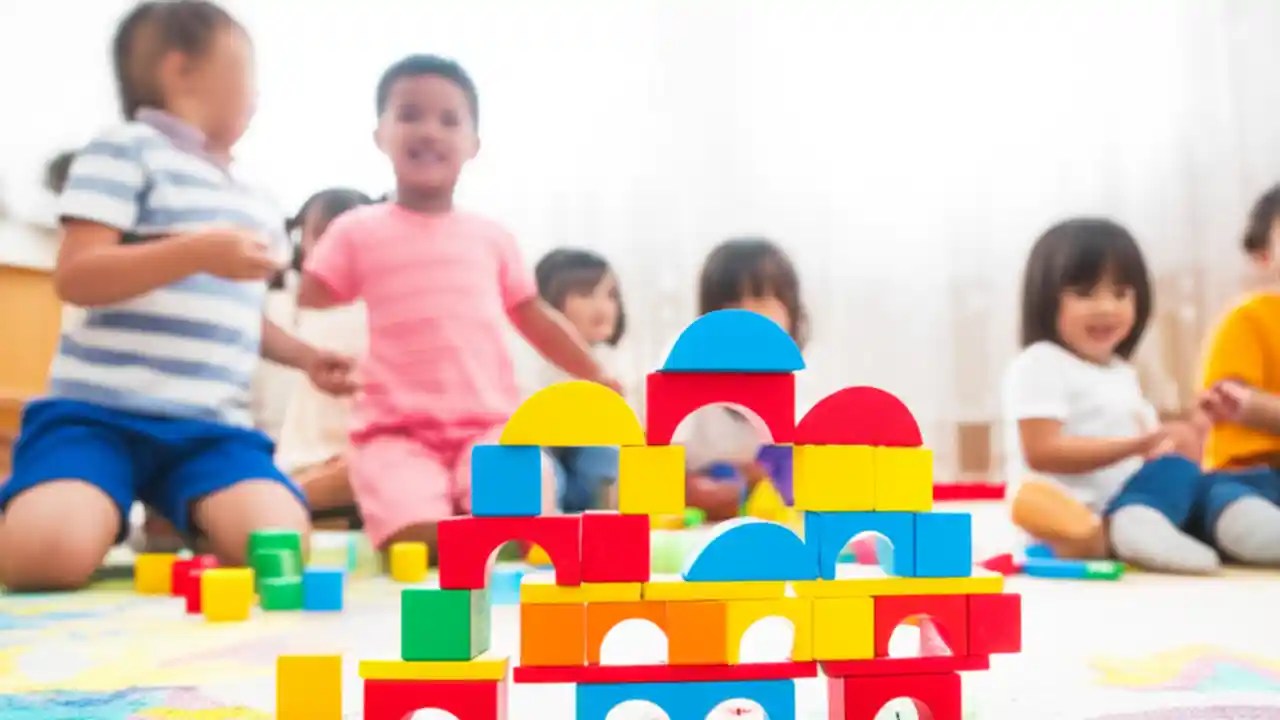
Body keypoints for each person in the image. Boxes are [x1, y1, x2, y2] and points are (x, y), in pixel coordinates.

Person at [0, 0, 355, 591]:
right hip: (98, 415)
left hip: (208, 427)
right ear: (181, 70)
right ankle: (97, 503)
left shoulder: (253, 197)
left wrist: (306, 357)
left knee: (280, 545)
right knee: (42, 559)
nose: (256, 94)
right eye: (246, 72)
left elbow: (240, 318)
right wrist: (195, 251)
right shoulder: (124, 149)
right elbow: (78, 275)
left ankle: (174, 512)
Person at [299, 55, 618, 552]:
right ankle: (453, 533)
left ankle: (485, 534)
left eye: (449, 120)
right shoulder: (356, 230)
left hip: (490, 428)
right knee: (406, 535)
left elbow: (534, 316)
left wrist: (593, 372)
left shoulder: (491, 238)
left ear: (473, 145)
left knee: (526, 515)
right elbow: (309, 295)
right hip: (394, 433)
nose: (429, 131)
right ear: (380, 134)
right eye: (409, 115)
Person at [1003, 218, 1280, 573]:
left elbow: (1145, 456)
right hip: (1071, 519)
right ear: (1045, 297)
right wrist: (1137, 446)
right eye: (1086, 294)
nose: (1106, 308)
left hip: (1134, 506)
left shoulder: (1121, 373)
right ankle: (1138, 522)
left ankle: (1243, 525)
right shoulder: (1041, 362)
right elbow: (1042, 451)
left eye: (1121, 294)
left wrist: (1188, 433)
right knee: (1176, 472)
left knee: (1212, 482)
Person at [675, 237, 809, 520]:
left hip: (775, 493)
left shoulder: (800, 380)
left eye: (760, 299)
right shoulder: (688, 376)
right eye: (731, 302)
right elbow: (665, 464)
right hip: (707, 482)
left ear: (791, 311)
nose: (746, 314)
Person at [276, 188, 373, 529]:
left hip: (369, 461)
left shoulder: (389, 309)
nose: (341, 252)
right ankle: (284, 495)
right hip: (305, 463)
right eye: (326, 237)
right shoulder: (286, 310)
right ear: (304, 243)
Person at [532, 248, 626, 512]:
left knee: (608, 458)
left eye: (611, 296)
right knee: (540, 469)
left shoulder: (615, 364)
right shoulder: (535, 364)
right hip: (548, 462)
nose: (602, 307)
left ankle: (608, 531)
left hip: (592, 471)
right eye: (585, 295)